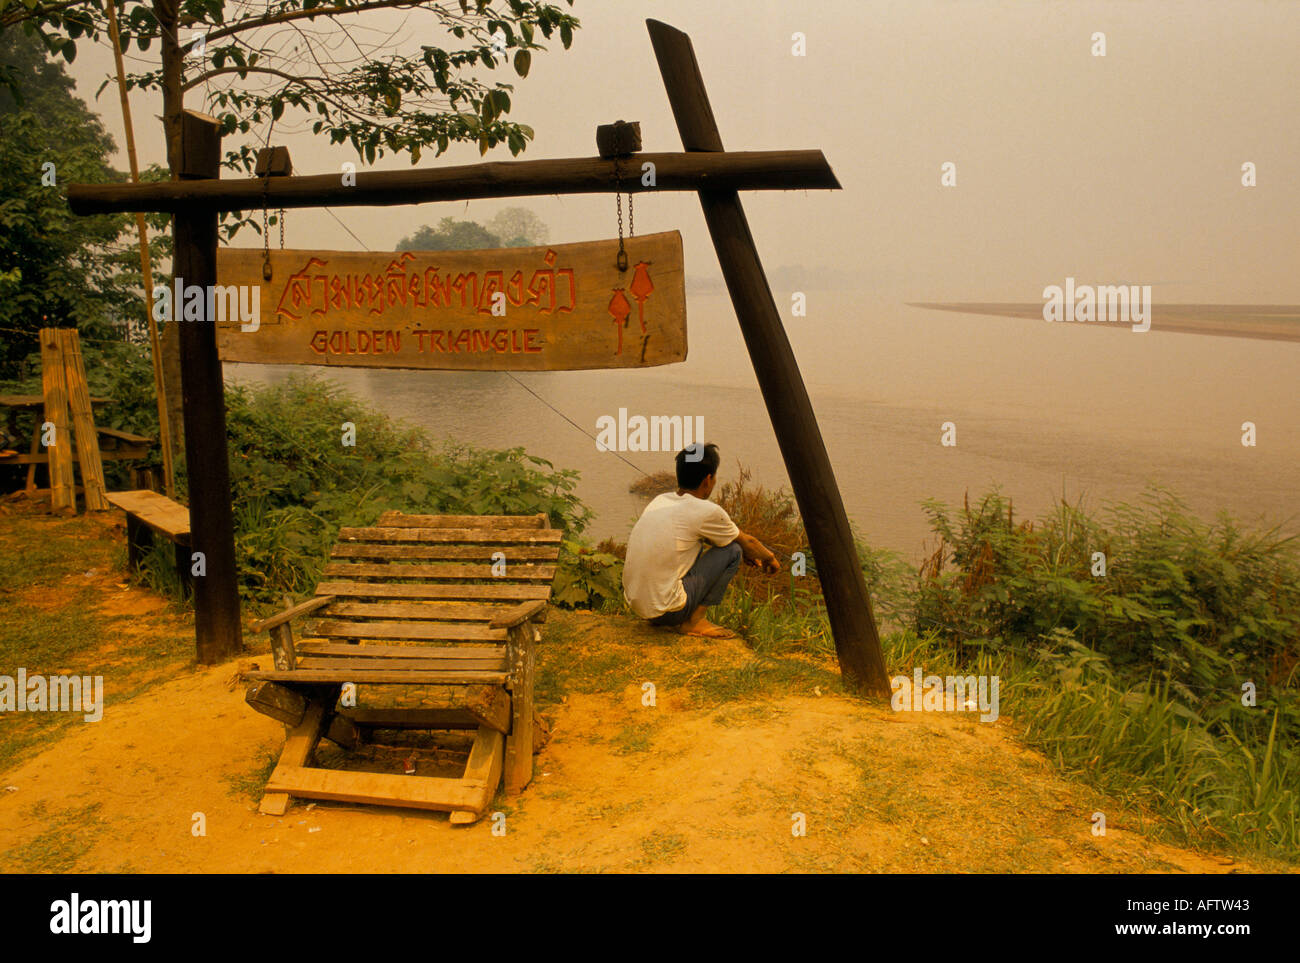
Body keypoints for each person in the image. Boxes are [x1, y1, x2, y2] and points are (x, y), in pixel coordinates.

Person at [622, 442, 780, 638]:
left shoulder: (660, 500)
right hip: (668, 612)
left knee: (725, 545)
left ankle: (675, 613)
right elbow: (748, 543)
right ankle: (694, 621)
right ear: (707, 480)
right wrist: (770, 558)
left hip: (638, 605)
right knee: (733, 551)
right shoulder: (707, 511)